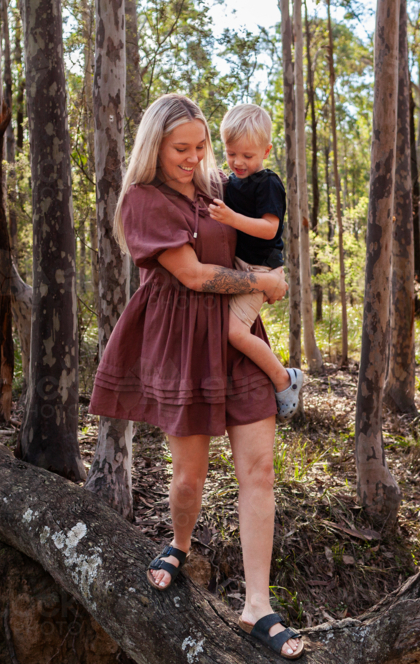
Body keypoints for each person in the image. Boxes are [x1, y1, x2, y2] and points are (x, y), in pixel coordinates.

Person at [88, 93, 306, 659]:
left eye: (201, 147)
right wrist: (260, 286)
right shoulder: (142, 200)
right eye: (181, 148)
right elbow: (190, 276)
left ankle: (258, 603)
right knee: (189, 478)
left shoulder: (219, 186)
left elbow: (261, 228)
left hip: (238, 340)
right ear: (154, 146)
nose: (194, 158)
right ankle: (179, 543)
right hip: (184, 343)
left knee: (258, 471)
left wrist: (269, 274)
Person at [208, 104, 304, 422]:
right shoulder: (230, 181)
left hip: (261, 268)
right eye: (231, 153)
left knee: (235, 333)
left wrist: (231, 217)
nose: (238, 162)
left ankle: (284, 379)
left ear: (266, 151)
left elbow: (270, 227)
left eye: (248, 156)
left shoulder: (268, 183)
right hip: (238, 265)